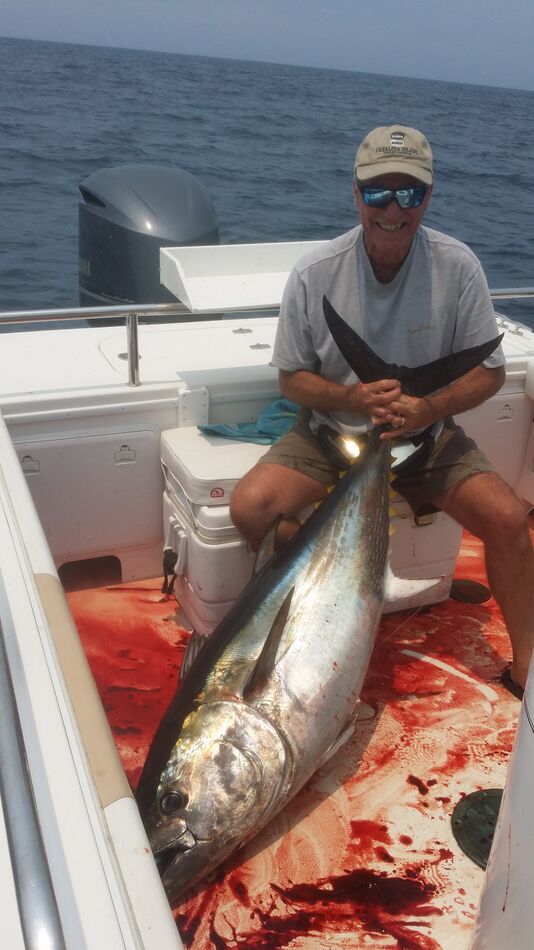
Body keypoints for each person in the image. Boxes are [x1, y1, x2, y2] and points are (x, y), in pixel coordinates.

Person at [229, 124, 534, 696]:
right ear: (355, 194)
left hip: (427, 438)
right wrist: (351, 398)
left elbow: (490, 371)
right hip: (331, 433)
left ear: (428, 197)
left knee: (511, 521)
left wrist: (427, 407)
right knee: (251, 508)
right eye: (378, 193)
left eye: (409, 194)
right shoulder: (316, 272)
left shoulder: (458, 267)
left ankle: (527, 670)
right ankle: (339, 599)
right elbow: (291, 379)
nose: (393, 209)